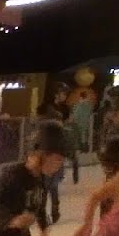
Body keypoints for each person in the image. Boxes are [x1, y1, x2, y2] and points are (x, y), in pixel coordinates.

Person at [36, 87, 71, 223]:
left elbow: (37, 143)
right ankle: (54, 211)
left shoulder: (43, 130)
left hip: (46, 158)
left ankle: (44, 211)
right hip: (55, 158)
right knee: (53, 187)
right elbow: (65, 144)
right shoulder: (59, 131)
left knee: (45, 187)